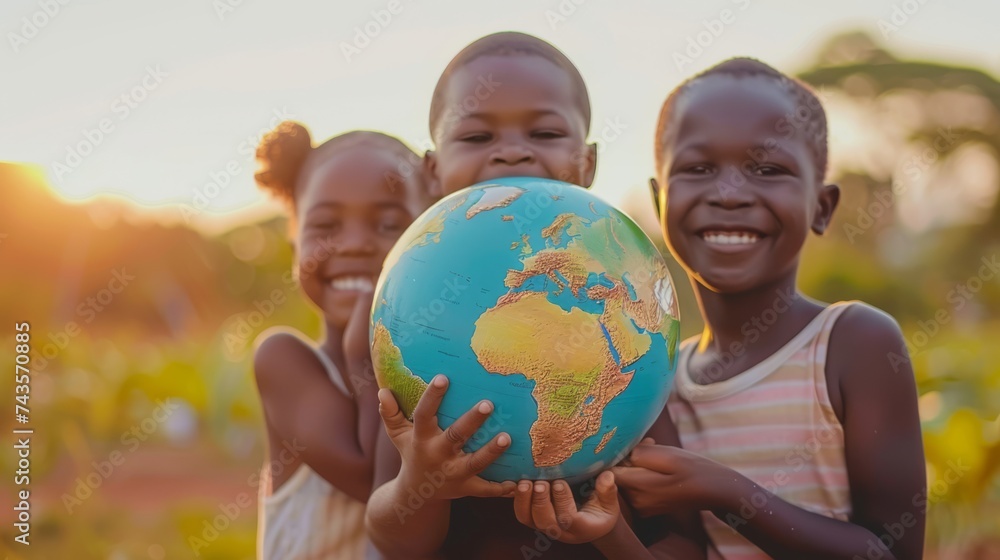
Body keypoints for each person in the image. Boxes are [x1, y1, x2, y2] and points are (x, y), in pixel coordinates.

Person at [365, 32, 705, 560]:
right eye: (477, 137)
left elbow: (683, 542)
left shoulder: (622, 304)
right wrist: (420, 485)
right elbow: (390, 539)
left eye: (545, 132)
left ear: (587, 164)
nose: (514, 151)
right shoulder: (402, 315)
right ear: (432, 172)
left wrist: (610, 533)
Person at [611, 57, 926, 560]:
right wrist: (606, 533)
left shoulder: (855, 343)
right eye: (697, 168)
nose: (730, 194)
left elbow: (890, 553)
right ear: (660, 199)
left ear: (821, 207)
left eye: (768, 169)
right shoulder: (656, 381)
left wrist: (728, 491)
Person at [252, 121, 427, 559]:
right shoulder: (283, 361)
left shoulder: (442, 370)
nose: (354, 245)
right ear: (295, 241)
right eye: (326, 225)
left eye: (389, 224)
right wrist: (365, 359)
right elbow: (380, 491)